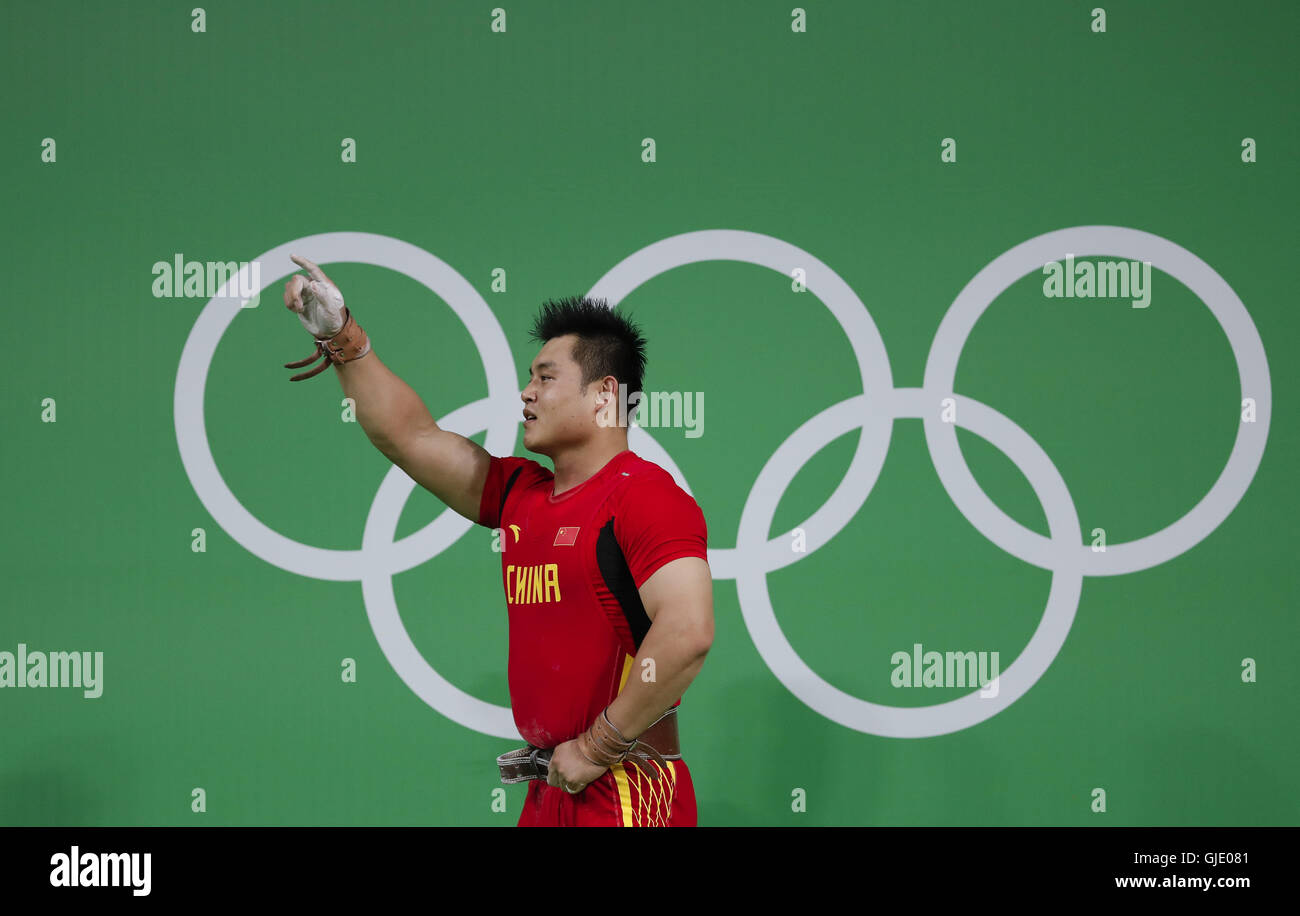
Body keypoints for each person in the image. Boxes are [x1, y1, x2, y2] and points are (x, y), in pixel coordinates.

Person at [282, 254, 714, 826]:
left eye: (545, 377)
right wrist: (344, 339)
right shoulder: (520, 494)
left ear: (605, 394)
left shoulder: (645, 497)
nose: (526, 393)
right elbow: (409, 437)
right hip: (554, 788)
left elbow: (687, 632)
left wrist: (596, 747)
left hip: (629, 788)